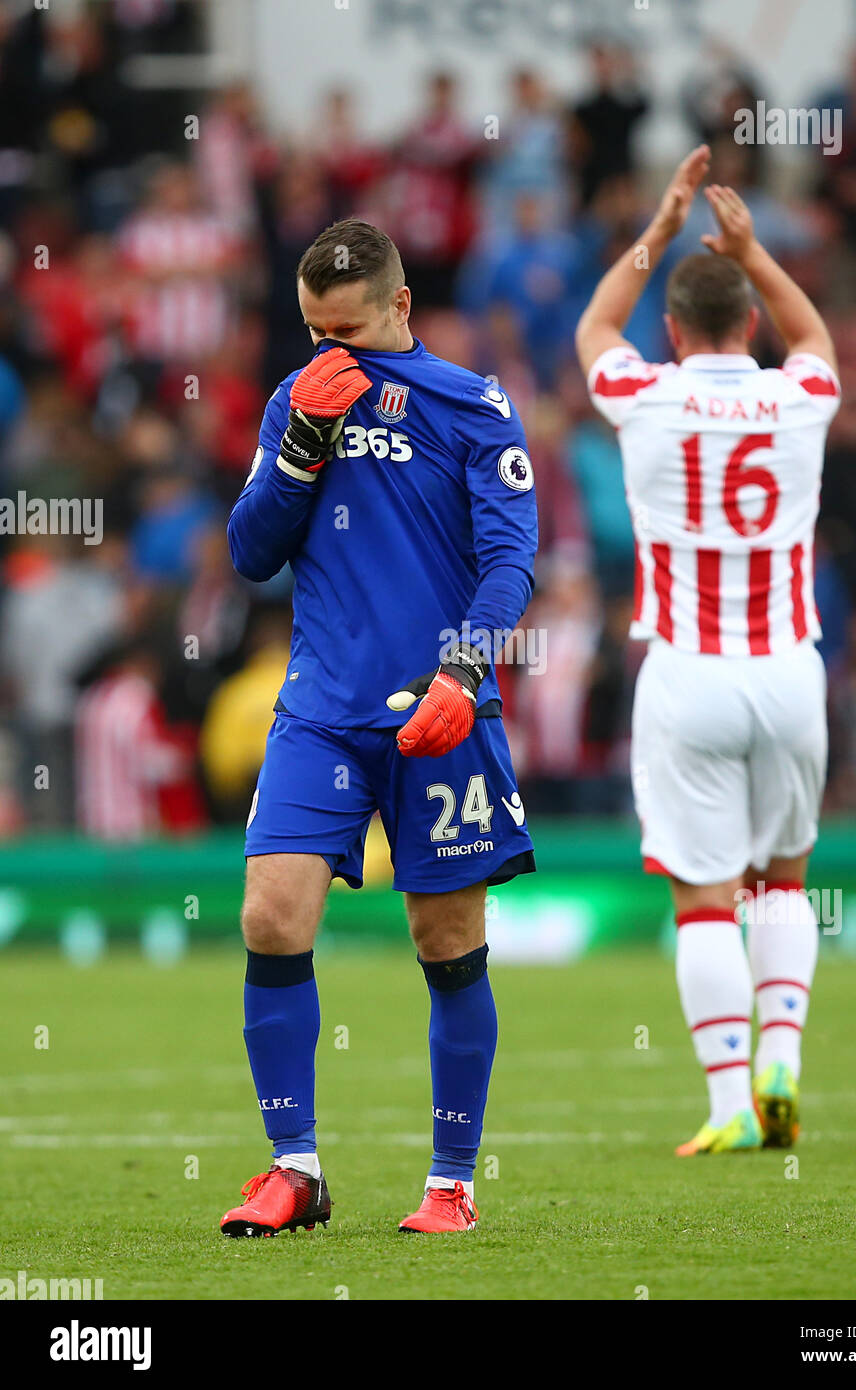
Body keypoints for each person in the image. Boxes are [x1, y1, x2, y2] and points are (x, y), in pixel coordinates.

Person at [221, 219, 537, 1237]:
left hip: (441, 709)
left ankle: (450, 1182)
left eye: (346, 332)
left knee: (445, 939)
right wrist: (297, 454)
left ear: (400, 307)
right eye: (313, 331)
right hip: (320, 703)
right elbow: (250, 552)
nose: (328, 354)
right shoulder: (294, 399)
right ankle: (294, 1167)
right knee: (271, 915)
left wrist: (466, 665)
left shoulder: (473, 407)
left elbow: (507, 564)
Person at [575, 148, 841, 1155]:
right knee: (781, 881)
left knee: (701, 898)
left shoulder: (645, 394)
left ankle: (730, 1096)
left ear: (674, 331)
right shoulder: (795, 395)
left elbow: (594, 325)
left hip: (687, 672)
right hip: (787, 667)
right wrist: (750, 247)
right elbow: (811, 332)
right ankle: (783, 1054)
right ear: (751, 324)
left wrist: (660, 222)